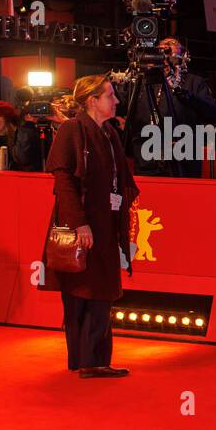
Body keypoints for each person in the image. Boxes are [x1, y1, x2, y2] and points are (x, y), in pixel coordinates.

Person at [39, 75, 139, 378]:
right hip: (84, 224)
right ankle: (88, 360)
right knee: (82, 291)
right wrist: (79, 224)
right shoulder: (73, 129)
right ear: (92, 100)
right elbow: (64, 182)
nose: (116, 101)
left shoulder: (108, 133)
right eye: (110, 95)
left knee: (99, 290)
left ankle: (89, 360)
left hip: (105, 223)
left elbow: (121, 181)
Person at [121, 36, 216, 177]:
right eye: (161, 45)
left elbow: (213, 112)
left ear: (184, 55)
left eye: (172, 44)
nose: (165, 47)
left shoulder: (193, 82)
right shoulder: (143, 82)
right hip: (147, 159)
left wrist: (182, 93)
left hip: (182, 159)